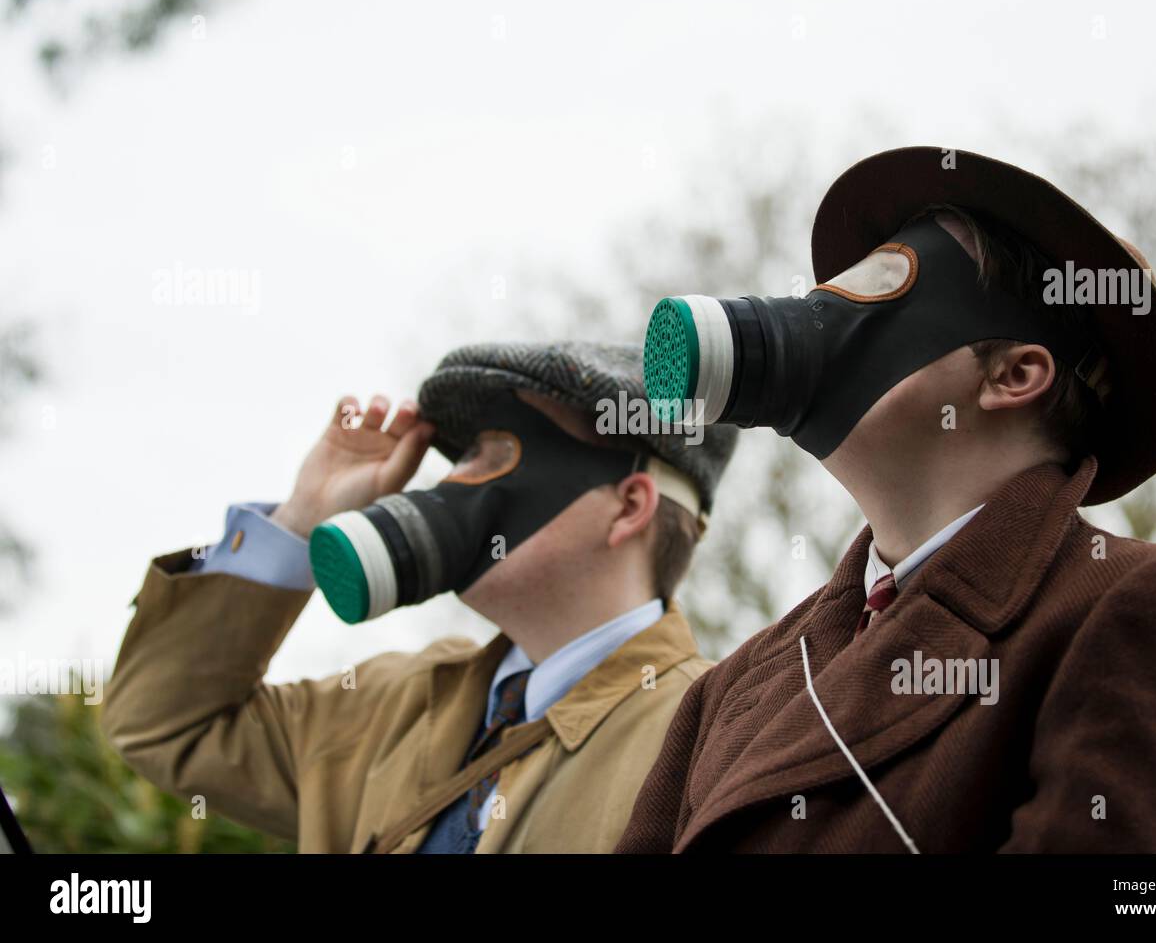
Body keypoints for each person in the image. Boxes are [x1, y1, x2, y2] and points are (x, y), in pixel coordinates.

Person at [616, 147, 1156, 853]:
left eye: (885, 284)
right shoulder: (733, 689)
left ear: (1013, 375)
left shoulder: (1153, 607)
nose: (823, 309)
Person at [102, 341, 737, 853]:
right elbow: (165, 724)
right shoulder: (388, 707)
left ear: (628, 507)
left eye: (497, 457)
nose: (454, 483)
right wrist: (298, 524)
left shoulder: (714, 740)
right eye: (461, 458)